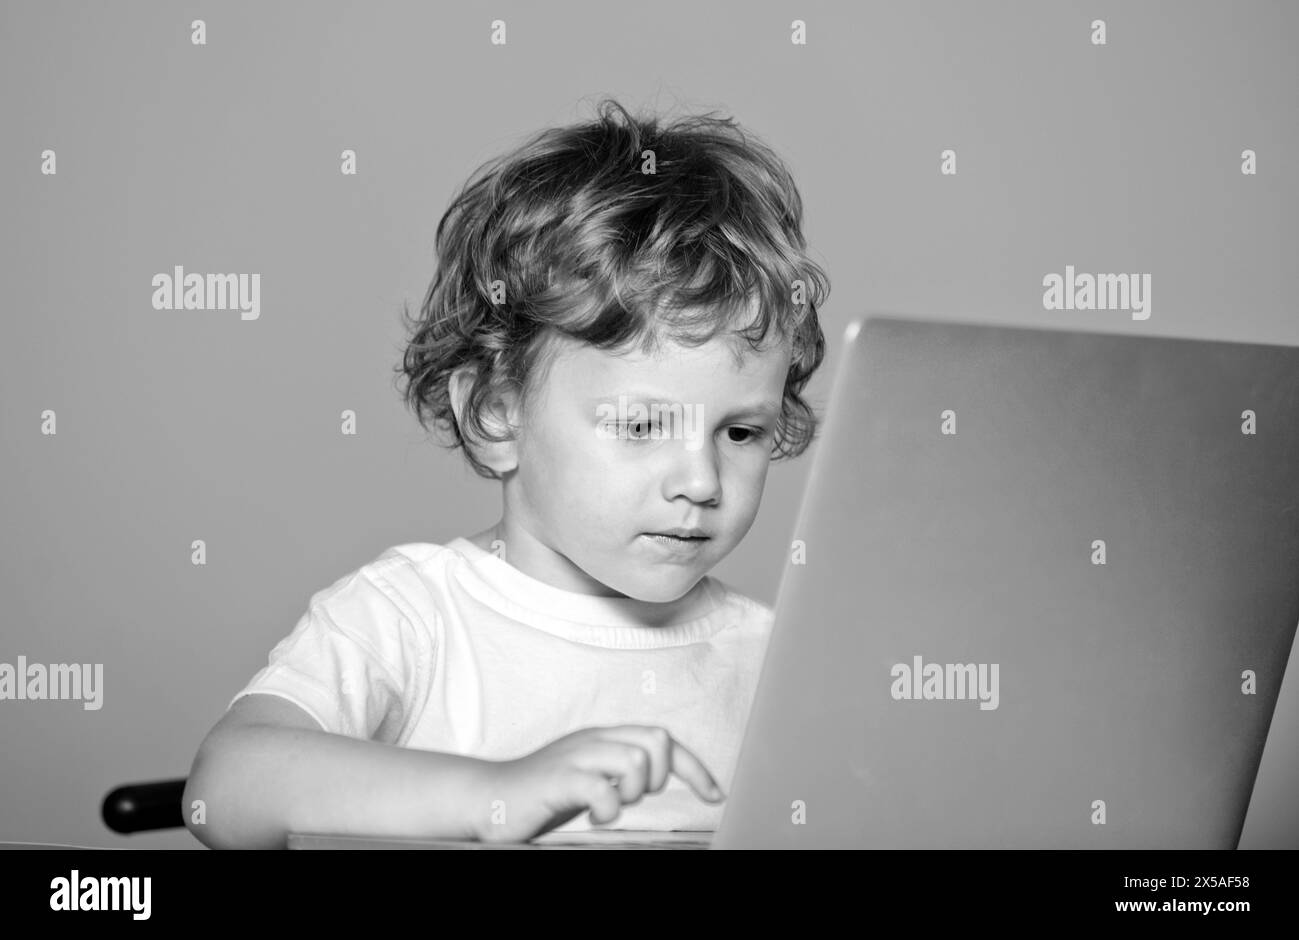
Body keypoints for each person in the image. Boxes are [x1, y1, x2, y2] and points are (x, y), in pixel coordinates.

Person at [182, 98, 830, 849]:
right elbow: (224, 789)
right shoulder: (412, 620)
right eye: (642, 426)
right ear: (497, 415)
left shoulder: (776, 662)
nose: (702, 481)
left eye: (741, 431)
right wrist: (494, 794)